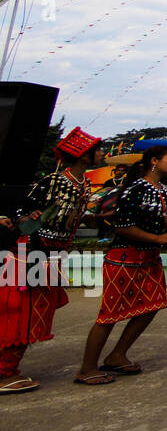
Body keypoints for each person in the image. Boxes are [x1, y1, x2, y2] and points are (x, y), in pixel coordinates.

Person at [0, 127, 106, 394]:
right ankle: (4, 373)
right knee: (19, 314)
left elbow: (66, 218)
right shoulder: (54, 181)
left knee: (36, 312)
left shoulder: (83, 184)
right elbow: (22, 216)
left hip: (51, 256)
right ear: (84, 156)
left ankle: (8, 369)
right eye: (97, 150)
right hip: (29, 256)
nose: (102, 153)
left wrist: (90, 218)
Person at [77, 146, 167, 384]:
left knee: (152, 305)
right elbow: (122, 226)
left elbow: (159, 220)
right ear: (154, 161)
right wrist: (157, 238)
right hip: (125, 258)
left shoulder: (159, 189)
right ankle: (87, 369)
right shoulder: (136, 189)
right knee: (109, 315)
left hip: (148, 258)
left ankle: (117, 354)